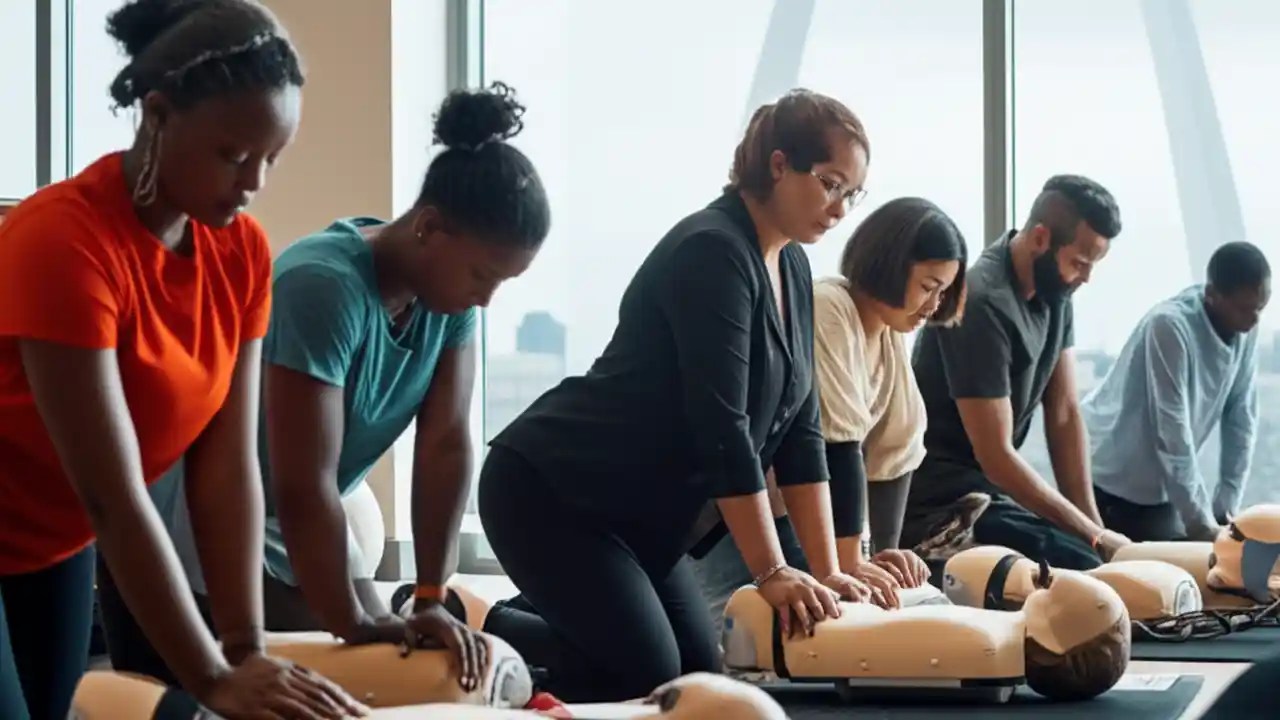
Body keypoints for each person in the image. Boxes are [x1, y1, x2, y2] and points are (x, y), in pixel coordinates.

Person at [100, 82, 551, 696]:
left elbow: (445, 445)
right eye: (482, 273)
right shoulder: (322, 285)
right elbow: (301, 480)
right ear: (429, 227)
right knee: (328, 682)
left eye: (504, 281)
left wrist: (429, 596)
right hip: (190, 517)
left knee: (404, 667)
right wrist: (356, 621)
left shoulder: (451, 302)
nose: (487, 296)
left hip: (295, 519)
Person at [0, 1, 365, 718]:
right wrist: (210, 677)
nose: (255, 181)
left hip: (54, 538)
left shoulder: (243, 253)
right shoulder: (62, 242)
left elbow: (226, 468)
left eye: (272, 158)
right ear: (157, 115)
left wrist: (246, 646)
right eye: (234, 155)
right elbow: (113, 491)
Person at [476, 89, 874, 702]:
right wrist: (771, 571)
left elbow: (802, 432)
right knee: (648, 682)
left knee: (699, 687)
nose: (839, 209)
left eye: (852, 194)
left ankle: (524, 628)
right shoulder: (713, 251)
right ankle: (476, 626)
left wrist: (830, 573)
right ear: (777, 164)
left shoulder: (792, 267)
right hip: (555, 493)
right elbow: (724, 428)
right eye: (829, 184)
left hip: (642, 521)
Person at [689, 197, 966, 626]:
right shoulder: (830, 307)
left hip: (814, 529)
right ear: (892, 265)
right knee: (824, 625)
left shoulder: (890, 333)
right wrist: (851, 563)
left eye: (944, 290)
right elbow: (837, 444)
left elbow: (895, 454)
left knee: (907, 609)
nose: (934, 304)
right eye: (929, 286)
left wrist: (878, 558)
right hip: (753, 524)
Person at [901, 175, 1127, 571]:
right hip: (944, 504)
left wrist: (1096, 527)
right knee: (1084, 566)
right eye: (1079, 263)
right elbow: (996, 457)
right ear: (1040, 238)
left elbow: (1064, 414)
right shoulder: (982, 301)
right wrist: (1094, 539)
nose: (1086, 278)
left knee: (1097, 556)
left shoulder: (1056, 291)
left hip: (991, 493)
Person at [1083, 242, 1269, 542]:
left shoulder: (1247, 327)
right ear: (1212, 296)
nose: (1255, 319)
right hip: (1109, 476)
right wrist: (1204, 529)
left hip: (1159, 487)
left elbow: (1241, 420)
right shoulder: (1169, 326)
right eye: (1245, 309)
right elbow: (1173, 436)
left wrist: (1225, 511)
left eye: (1261, 307)